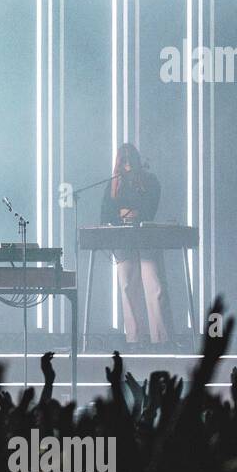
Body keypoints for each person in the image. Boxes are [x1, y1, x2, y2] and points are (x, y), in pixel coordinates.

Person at [100, 142, 170, 345]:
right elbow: (105, 212)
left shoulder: (150, 180)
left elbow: (150, 207)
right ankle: (134, 337)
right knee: (128, 286)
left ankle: (161, 339)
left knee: (155, 286)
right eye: (124, 159)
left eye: (131, 159)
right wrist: (119, 218)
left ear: (138, 160)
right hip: (123, 239)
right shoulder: (113, 184)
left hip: (146, 237)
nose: (128, 163)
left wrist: (132, 213)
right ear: (119, 162)